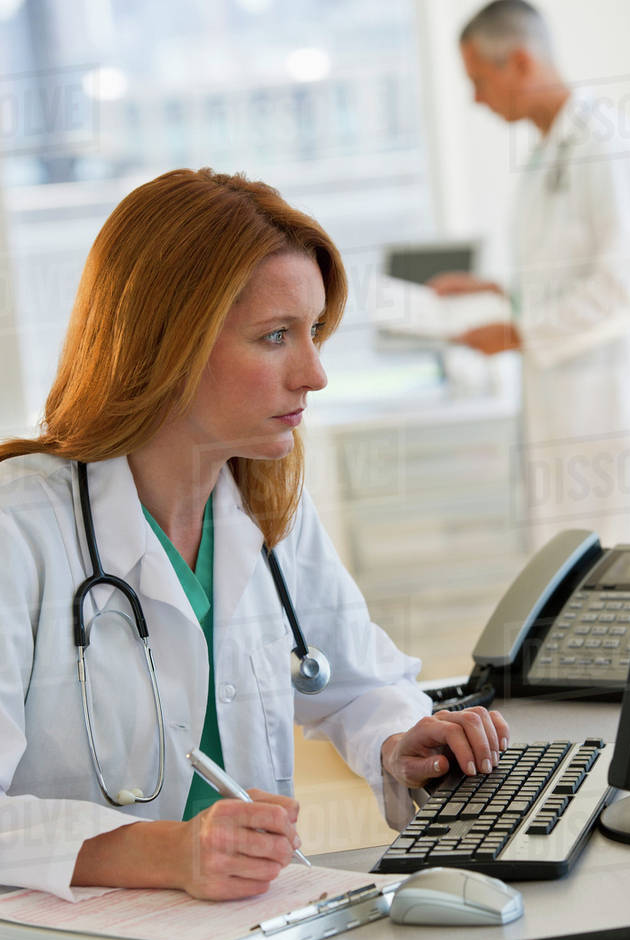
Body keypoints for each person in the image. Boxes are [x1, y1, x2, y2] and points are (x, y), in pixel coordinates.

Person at [0, 167, 508, 902]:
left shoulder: (262, 502)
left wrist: (402, 746)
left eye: (314, 333)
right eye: (276, 337)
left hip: (249, 924)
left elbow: (358, 685)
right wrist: (170, 853)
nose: (314, 374)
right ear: (166, 346)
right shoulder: (21, 529)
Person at [430, 0, 630, 548]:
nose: (476, 98)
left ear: (522, 63)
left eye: (480, 79)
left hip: (620, 416)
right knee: (577, 576)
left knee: (624, 574)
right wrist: (495, 291)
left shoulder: (607, 147)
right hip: (578, 418)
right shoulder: (550, 153)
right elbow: (578, 273)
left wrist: (516, 335)